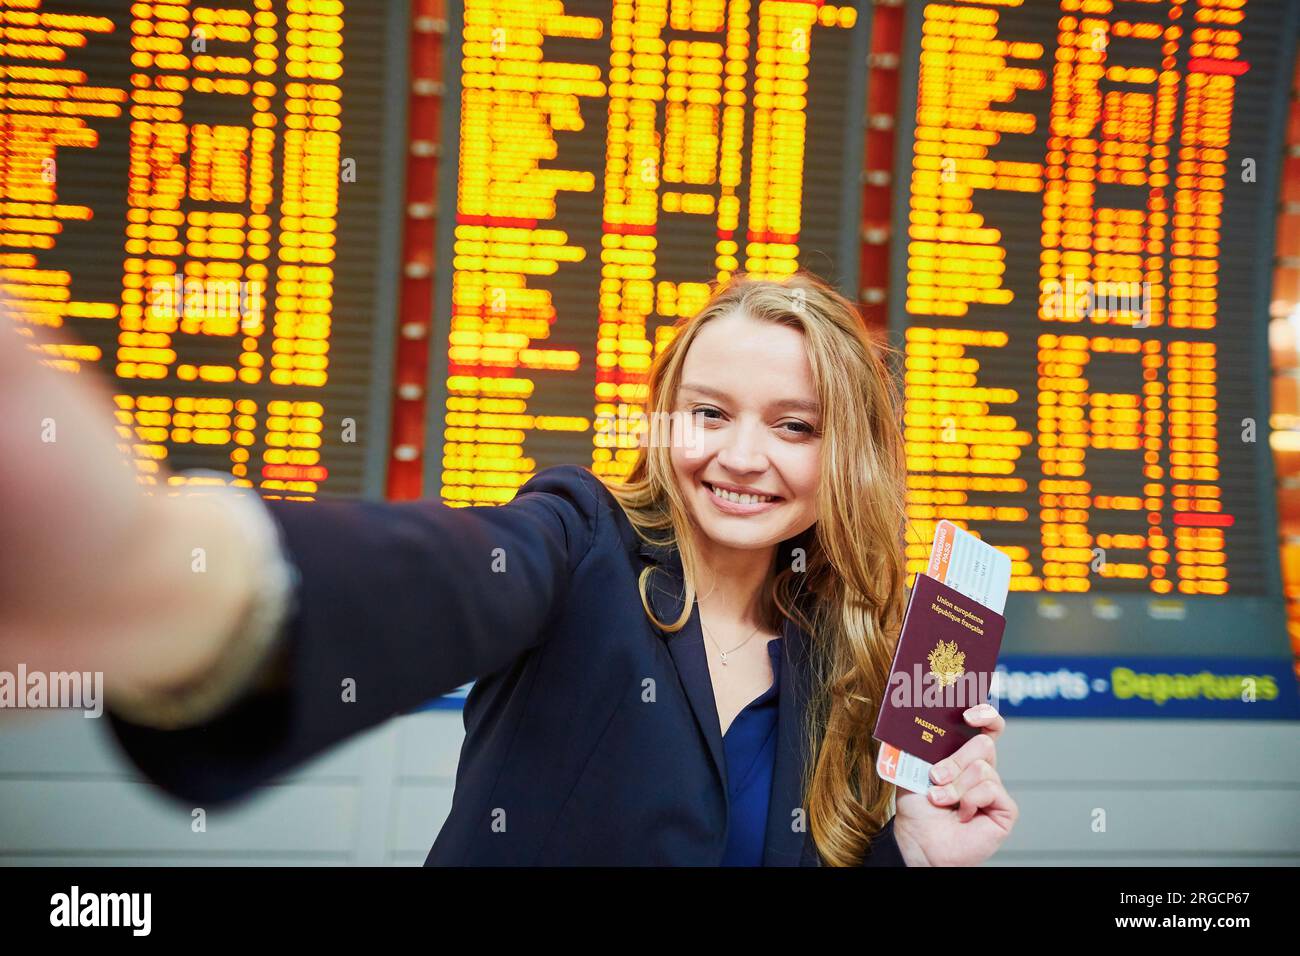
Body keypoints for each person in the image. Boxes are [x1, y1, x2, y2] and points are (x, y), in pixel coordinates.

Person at [0, 271, 1018, 865]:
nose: (741, 456)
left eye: (793, 426)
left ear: (843, 452)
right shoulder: (577, 540)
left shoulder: (844, 653)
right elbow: (452, 574)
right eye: (709, 412)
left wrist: (912, 853)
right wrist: (172, 570)